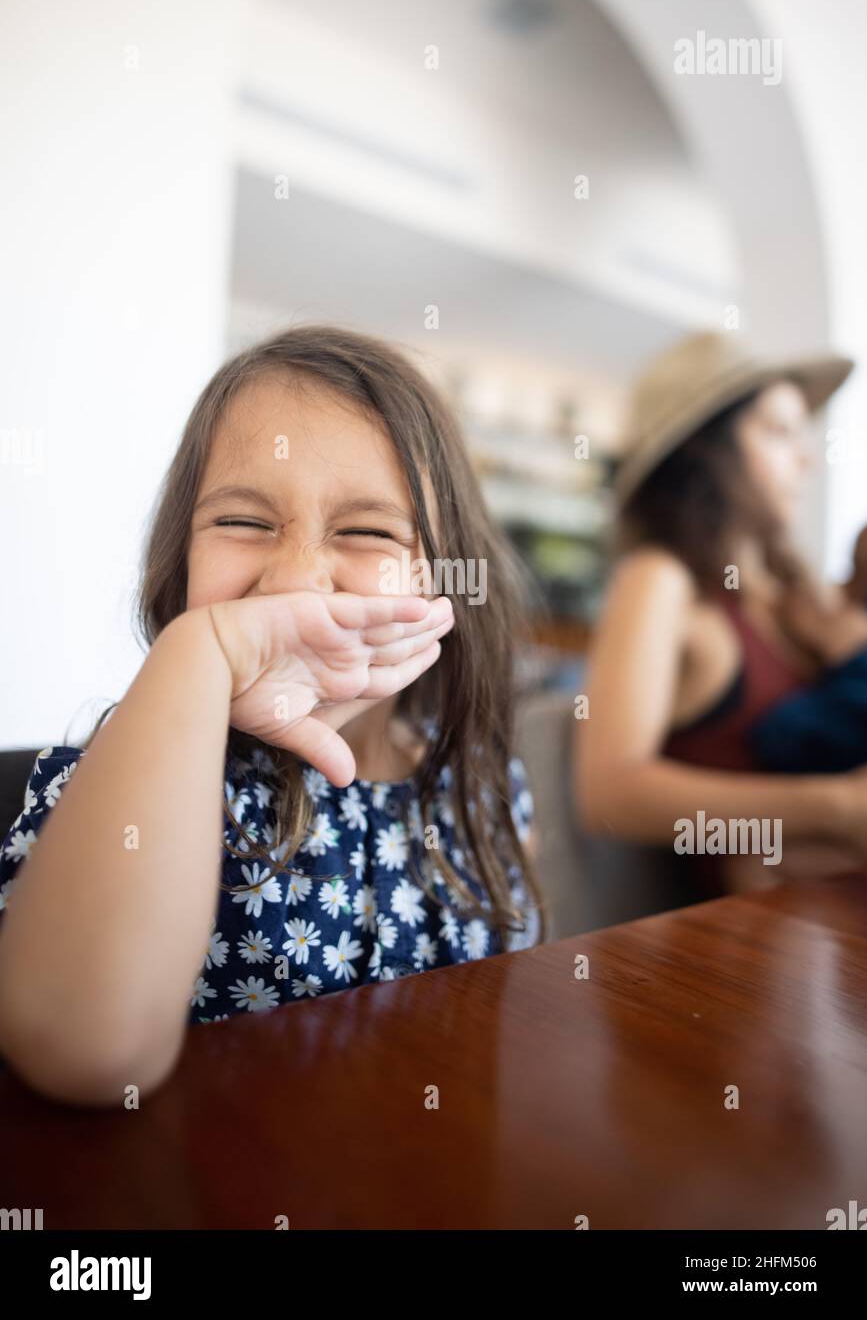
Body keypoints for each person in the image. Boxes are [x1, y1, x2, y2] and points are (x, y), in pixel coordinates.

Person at [0, 325, 544, 1106]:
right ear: (178, 557)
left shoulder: (484, 787)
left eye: (364, 531)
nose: (296, 577)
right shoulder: (146, 774)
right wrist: (198, 654)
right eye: (243, 523)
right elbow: (89, 1052)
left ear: (441, 581)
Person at [574, 329, 867, 896]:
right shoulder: (661, 579)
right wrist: (839, 808)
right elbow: (606, 795)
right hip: (750, 942)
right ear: (707, 452)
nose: (806, 457)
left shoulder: (798, 593)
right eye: (779, 432)